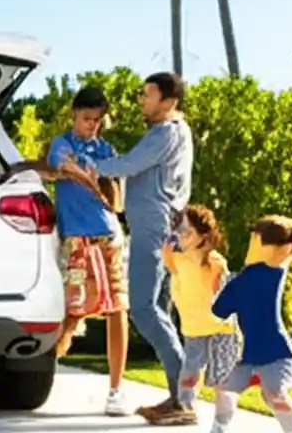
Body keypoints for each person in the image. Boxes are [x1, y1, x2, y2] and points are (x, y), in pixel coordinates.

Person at [60, 71, 193, 426]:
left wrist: (86, 165)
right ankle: (180, 396)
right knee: (158, 310)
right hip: (162, 228)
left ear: (169, 101)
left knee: (144, 310)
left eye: (148, 94)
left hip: (152, 229)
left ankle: (183, 399)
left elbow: (129, 164)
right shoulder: (175, 131)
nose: (142, 100)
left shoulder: (166, 132)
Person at [45, 86, 130, 417]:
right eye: (86, 118)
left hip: (108, 236)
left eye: (97, 119)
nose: (91, 124)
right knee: (69, 312)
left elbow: (116, 197)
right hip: (76, 240)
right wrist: (93, 178)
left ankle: (116, 390)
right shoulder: (62, 143)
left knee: (117, 308)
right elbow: (62, 165)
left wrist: (99, 178)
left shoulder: (105, 149)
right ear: (74, 115)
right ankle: (39, 375)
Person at [210, 215, 292, 433]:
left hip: (276, 354)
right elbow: (219, 310)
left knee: (273, 394)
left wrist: (291, 244)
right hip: (249, 358)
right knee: (224, 389)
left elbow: (287, 253)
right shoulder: (238, 283)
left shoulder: (275, 273)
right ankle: (219, 428)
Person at [163, 205, 239, 412]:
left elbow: (223, 294)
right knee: (190, 371)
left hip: (220, 328)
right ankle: (185, 409)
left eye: (187, 233)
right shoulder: (177, 257)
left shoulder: (214, 261)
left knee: (222, 378)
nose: (182, 237)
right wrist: (174, 233)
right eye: (179, 232)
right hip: (194, 327)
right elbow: (167, 247)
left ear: (202, 236)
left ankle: (223, 419)